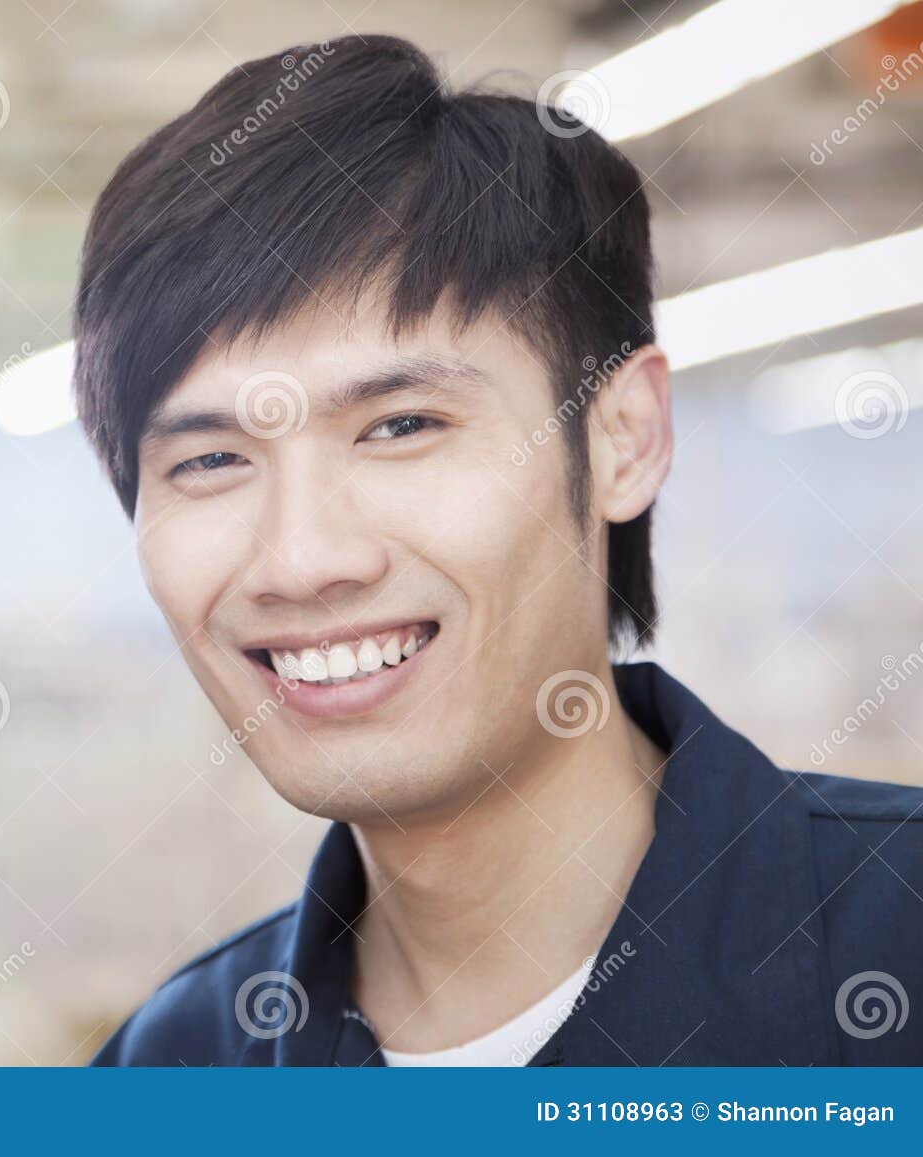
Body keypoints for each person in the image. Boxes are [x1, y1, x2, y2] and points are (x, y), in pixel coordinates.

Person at [74, 34, 922, 1066]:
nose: (298, 559)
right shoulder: (172, 1066)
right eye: (209, 459)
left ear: (623, 437)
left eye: (399, 426)